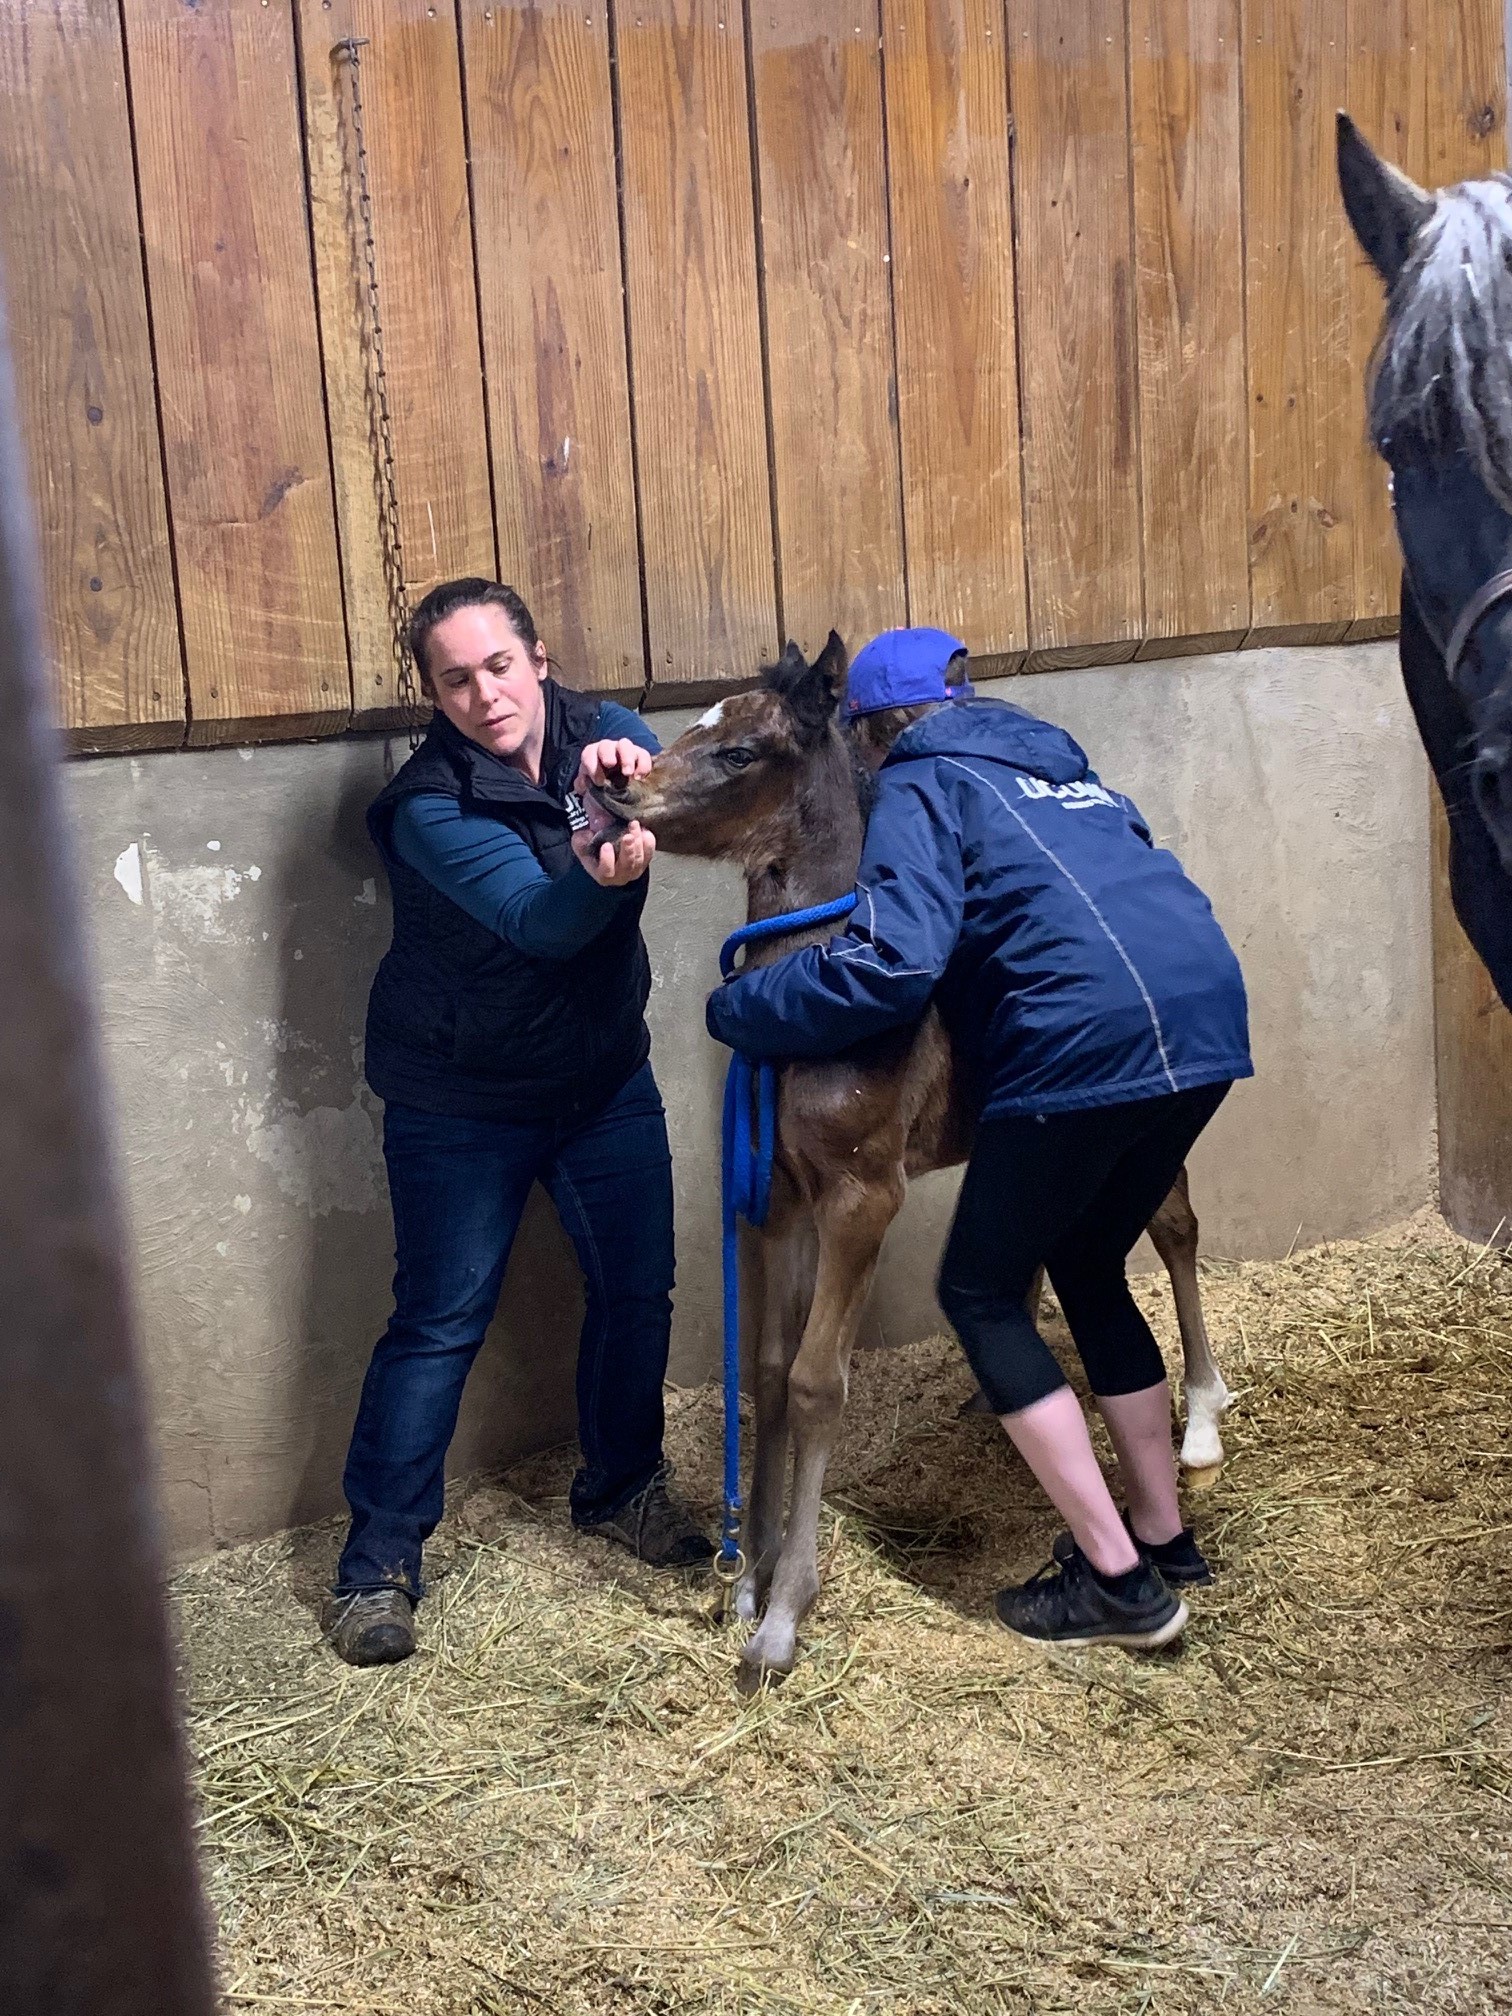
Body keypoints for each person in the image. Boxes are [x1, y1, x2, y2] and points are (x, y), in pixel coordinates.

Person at [706, 628, 1252, 1652]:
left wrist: (750, 1007)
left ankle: (1121, 1583)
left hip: (1086, 1040)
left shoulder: (915, 782)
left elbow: (896, 964)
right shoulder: (1063, 769)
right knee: (1087, 1260)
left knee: (981, 1294)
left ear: (870, 731)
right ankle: (1166, 1538)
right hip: (1209, 1021)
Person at [324, 578, 711, 1669]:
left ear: (539, 660)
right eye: (456, 678)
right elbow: (540, 923)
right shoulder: (427, 807)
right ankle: (377, 1566)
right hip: (461, 1098)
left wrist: (631, 780)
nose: (484, 694)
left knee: (638, 1290)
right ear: (433, 694)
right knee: (440, 1319)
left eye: (500, 665)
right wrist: (603, 867)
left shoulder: (601, 731)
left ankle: (623, 1490)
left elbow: (640, 754)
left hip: (600, 1083)